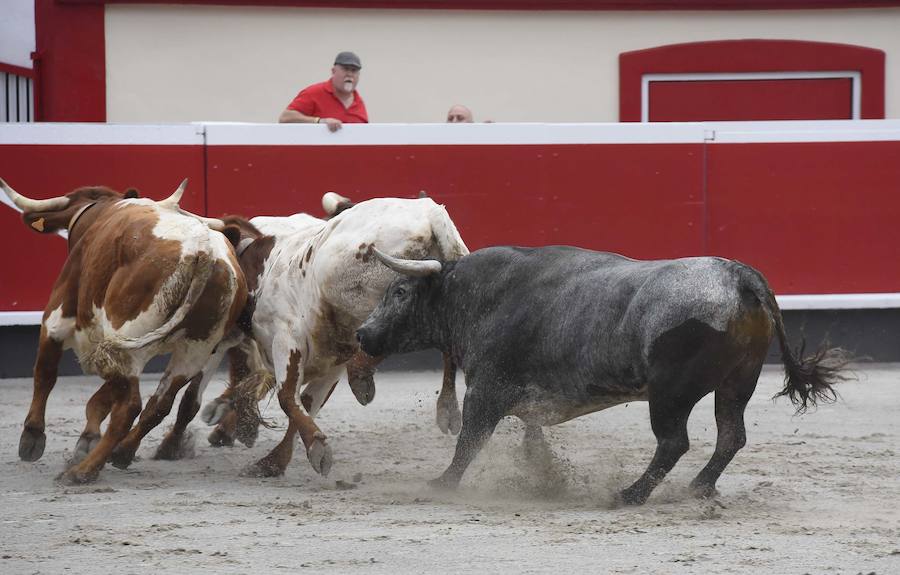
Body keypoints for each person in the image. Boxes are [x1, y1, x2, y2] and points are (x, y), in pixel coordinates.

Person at [279, 51, 368, 132]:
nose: (349, 74)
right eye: (345, 69)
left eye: (354, 70)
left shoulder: (359, 102)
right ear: (333, 71)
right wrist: (319, 121)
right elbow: (285, 117)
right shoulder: (314, 93)